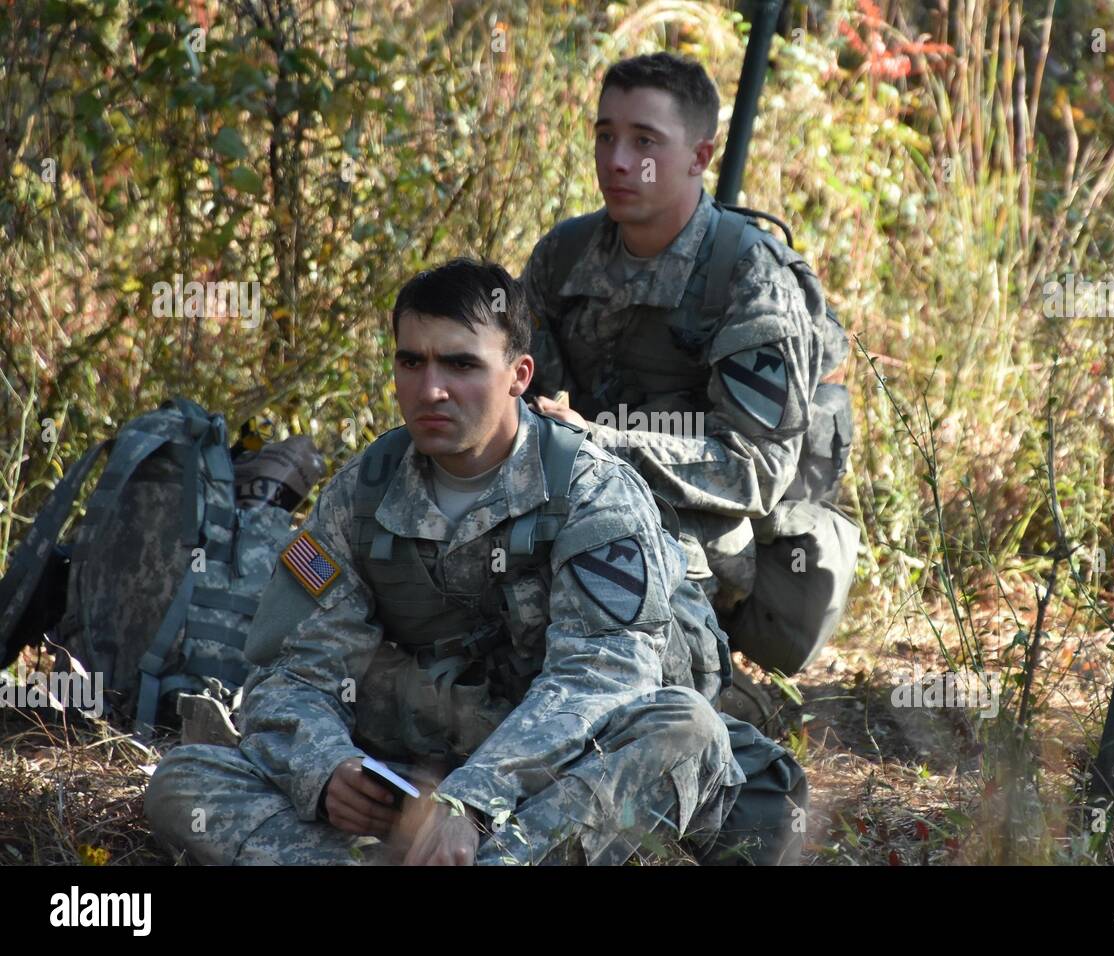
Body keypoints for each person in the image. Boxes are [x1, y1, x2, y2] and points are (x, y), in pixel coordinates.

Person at [144, 258, 804, 865]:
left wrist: (475, 798)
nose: (431, 389)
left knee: (686, 733)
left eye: (460, 365)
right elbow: (298, 670)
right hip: (419, 779)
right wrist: (327, 768)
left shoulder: (590, 492)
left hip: (554, 780)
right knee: (184, 781)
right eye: (412, 363)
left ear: (518, 375)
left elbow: (602, 679)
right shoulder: (363, 491)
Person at [523, 52, 856, 681]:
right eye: (605, 136)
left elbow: (753, 472)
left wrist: (596, 445)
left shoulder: (752, 281)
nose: (618, 160)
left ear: (699, 158)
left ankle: (714, 704)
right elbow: (516, 390)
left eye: (645, 141)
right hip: (571, 492)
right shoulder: (563, 256)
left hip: (697, 527)